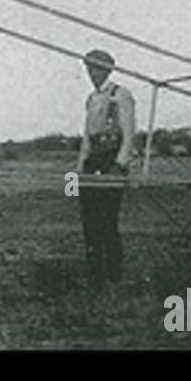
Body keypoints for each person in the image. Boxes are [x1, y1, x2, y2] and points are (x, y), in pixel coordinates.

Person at [74, 49, 136, 286]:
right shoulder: (92, 98)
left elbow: (128, 134)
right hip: (93, 161)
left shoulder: (120, 95)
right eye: (89, 68)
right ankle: (95, 273)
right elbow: (87, 137)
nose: (92, 73)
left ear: (108, 69)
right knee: (88, 218)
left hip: (111, 160)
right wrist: (79, 168)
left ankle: (113, 273)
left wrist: (119, 166)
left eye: (97, 68)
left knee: (107, 219)